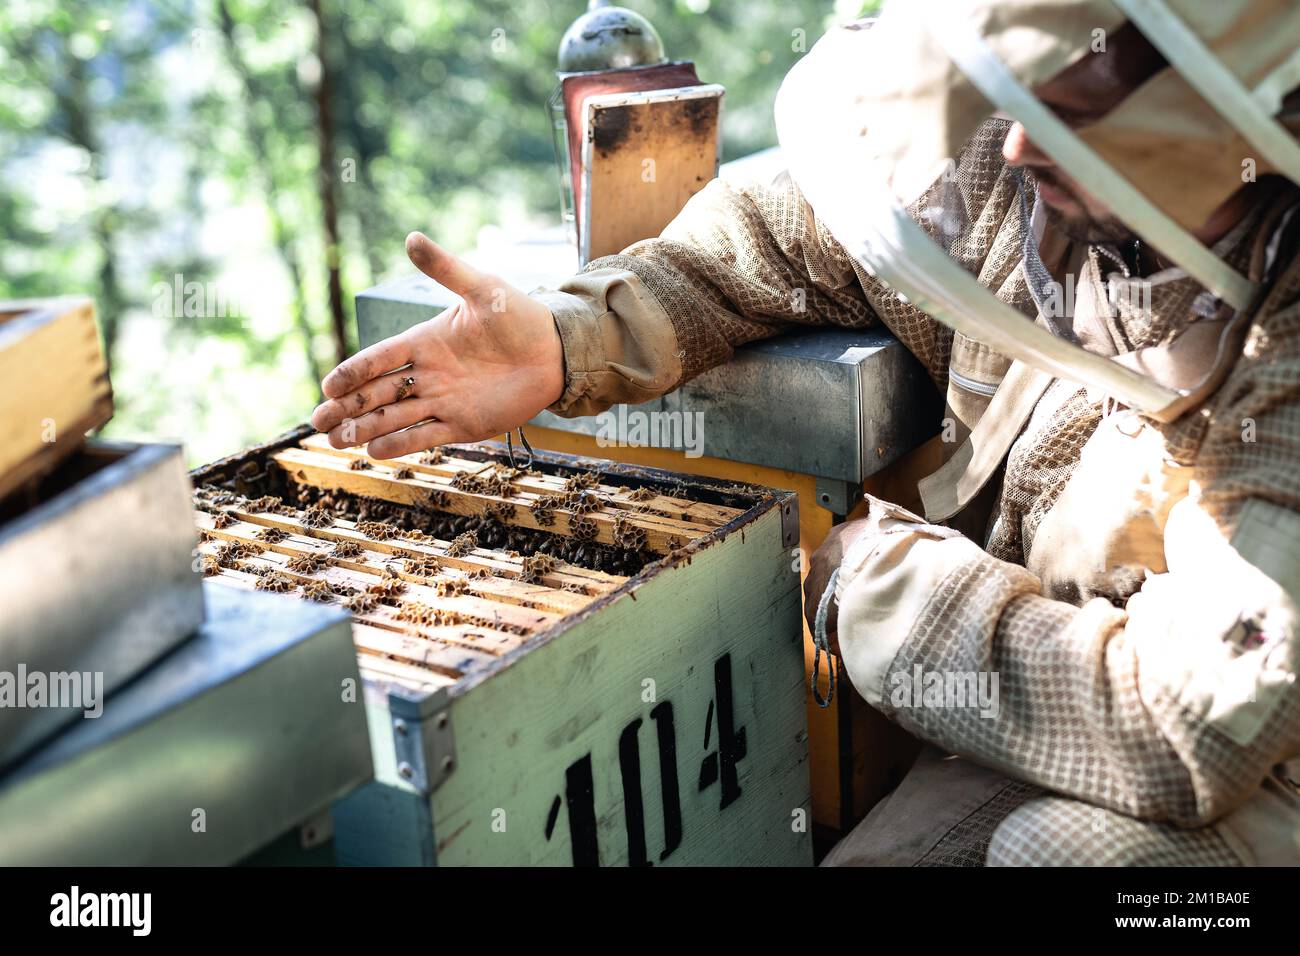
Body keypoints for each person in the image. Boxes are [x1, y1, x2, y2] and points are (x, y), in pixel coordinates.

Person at [311, 0, 1300, 865]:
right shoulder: (1019, 158)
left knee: (1062, 858)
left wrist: (875, 579)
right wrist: (574, 337)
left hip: (1243, 757)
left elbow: (1181, 726)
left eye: (1071, 120)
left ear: (1220, 124)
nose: (1018, 146)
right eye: (1023, 95)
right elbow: (785, 229)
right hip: (1056, 674)